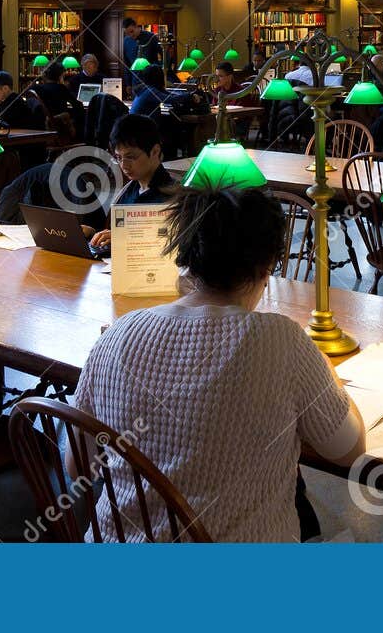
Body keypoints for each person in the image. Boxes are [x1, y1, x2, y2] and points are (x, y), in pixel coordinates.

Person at [74, 185, 365, 540]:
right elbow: (348, 451)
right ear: (266, 266)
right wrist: (326, 371)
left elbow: (77, 465)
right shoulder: (281, 341)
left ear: (184, 255)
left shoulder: (117, 335)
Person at [83, 114, 175, 253]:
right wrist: (94, 233)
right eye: (118, 158)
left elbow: (165, 245)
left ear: (155, 151)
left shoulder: (172, 198)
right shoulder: (129, 189)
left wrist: (122, 239)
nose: (124, 165)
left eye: (131, 157)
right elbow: (115, 233)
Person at [122, 18, 162, 84]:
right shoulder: (126, 41)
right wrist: (128, 83)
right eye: (127, 34)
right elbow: (127, 64)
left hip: (151, 79)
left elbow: (165, 55)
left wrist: (159, 71)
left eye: (132, 31)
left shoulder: (151, 37)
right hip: (135, 80)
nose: (130, 35)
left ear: (137, 27)